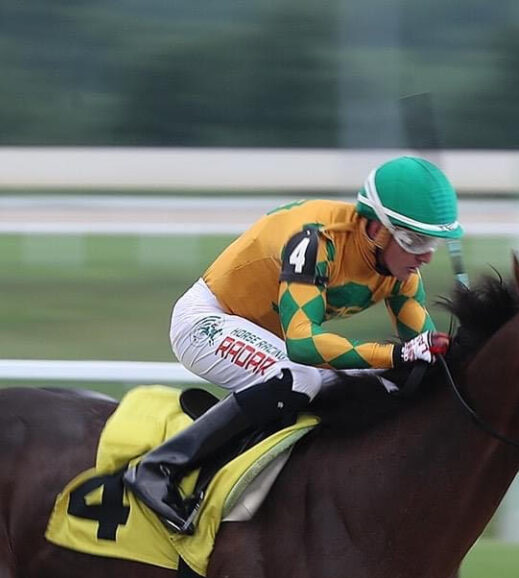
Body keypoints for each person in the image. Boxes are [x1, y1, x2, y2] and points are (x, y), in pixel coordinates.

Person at [123, 154, 464, 534]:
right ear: (375, 229)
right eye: (414, 241)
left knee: (375, 383)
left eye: (432, 241)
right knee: (299, 376)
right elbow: (303, 344)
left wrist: (453, 350)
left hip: (270, 338)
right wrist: (397, 354)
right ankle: (160, 468)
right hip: (207, 322)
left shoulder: (401, 270)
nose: (426, 255)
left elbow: (422, 351)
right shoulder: (316, 241)